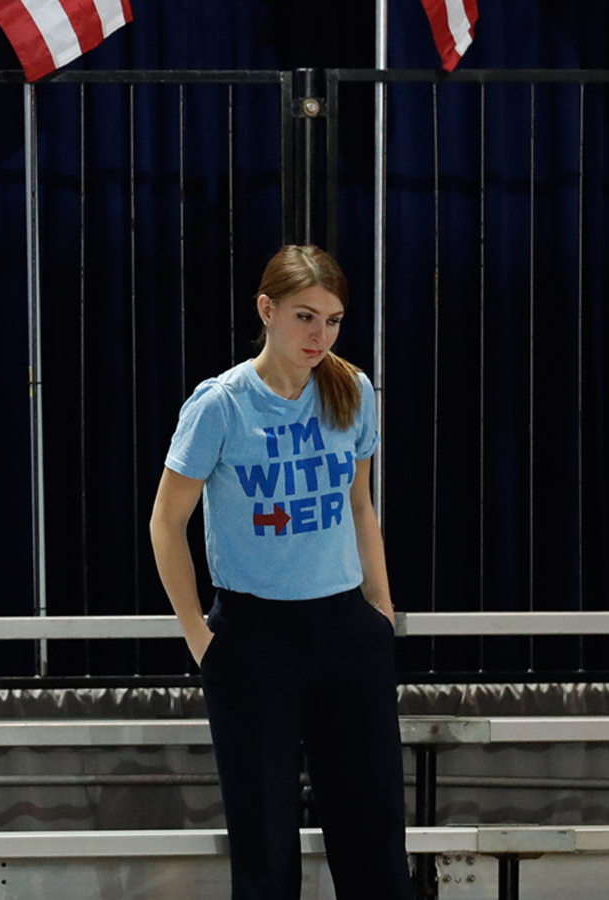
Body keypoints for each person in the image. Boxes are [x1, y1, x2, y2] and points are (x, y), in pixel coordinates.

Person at [148, 245, 412, 899]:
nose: (320, 335)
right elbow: (165, 524)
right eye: (305, 316)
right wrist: (201, 640)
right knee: (265, 850)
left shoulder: (353, 389)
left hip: (346, 629)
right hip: (254, 636)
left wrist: (380, 611)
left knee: (375, 840)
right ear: (266, 310)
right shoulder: (222, 405)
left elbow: (360, 505)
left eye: (333, 320)